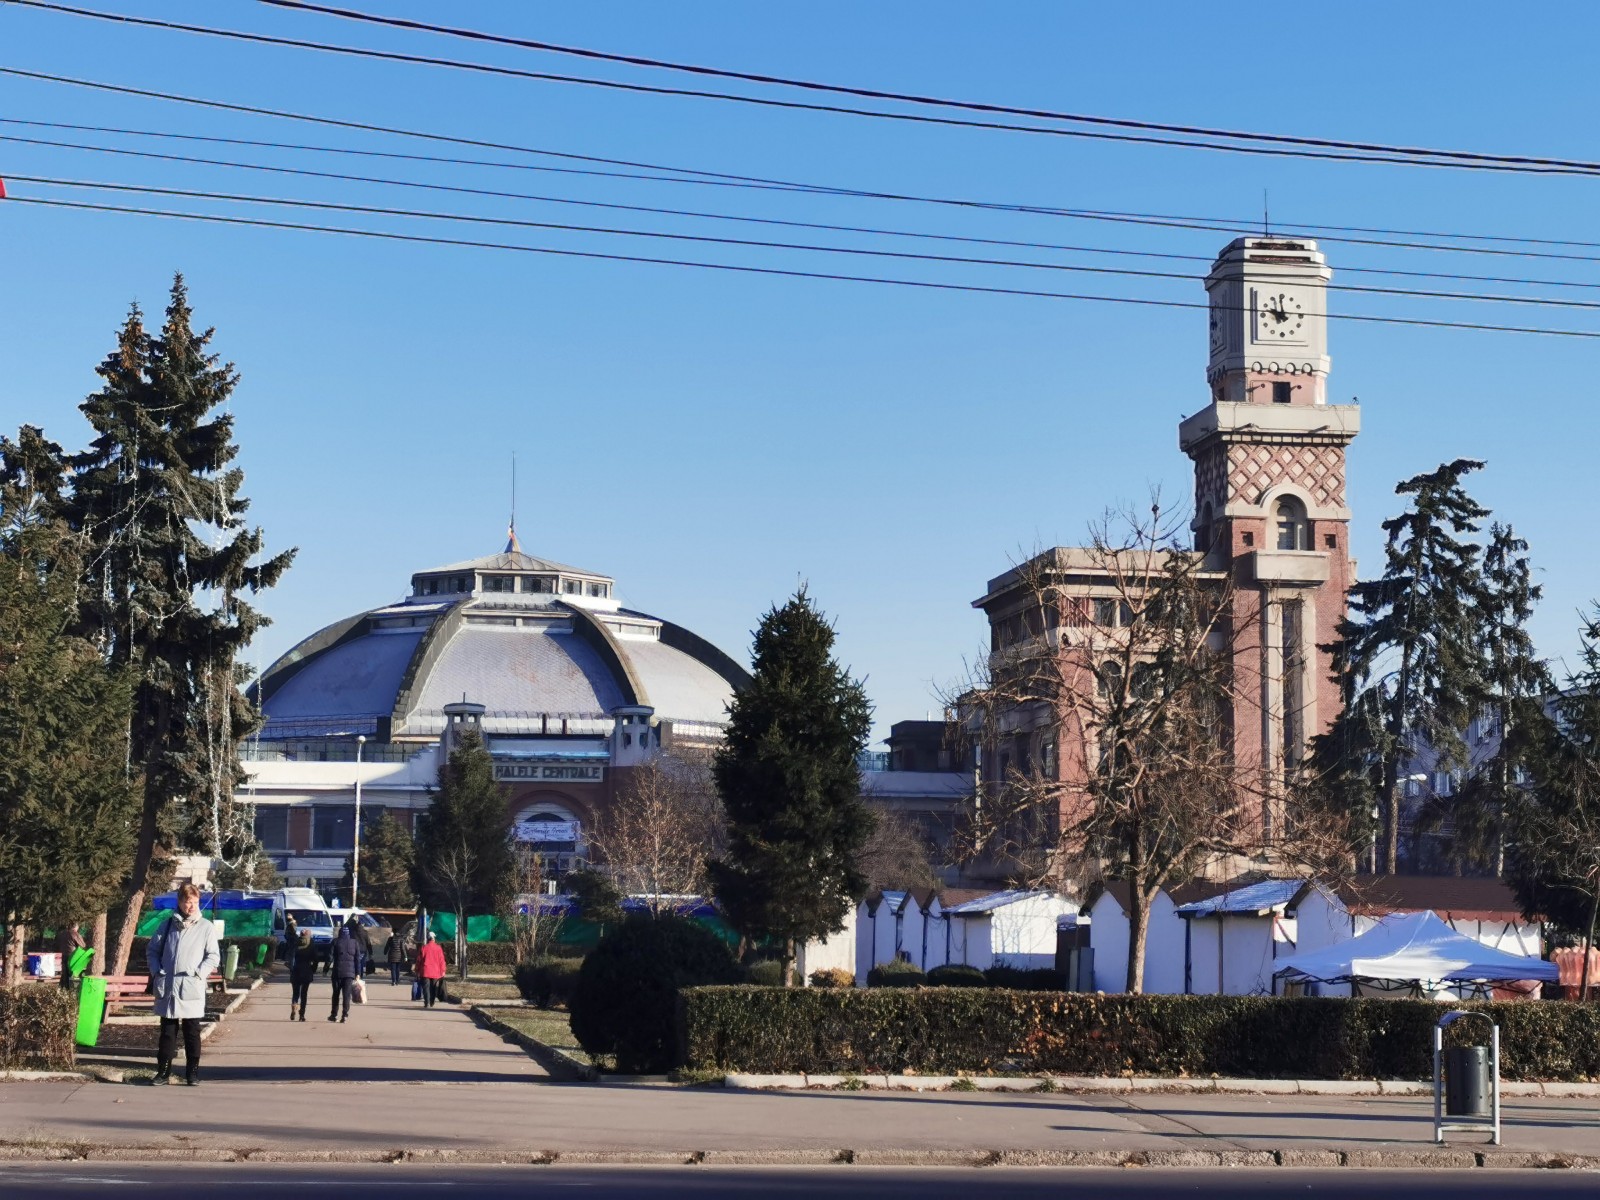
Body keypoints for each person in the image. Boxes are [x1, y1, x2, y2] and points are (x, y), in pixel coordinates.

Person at [147, 883, 221, 1086]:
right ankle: (163, 1073)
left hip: (191, 987)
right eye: (188, 902)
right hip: (168, 985)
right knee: (168, 1032)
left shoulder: (205, 927)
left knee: (192, 1032)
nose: (192, 906)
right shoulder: (167, 925)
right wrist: (157, 971)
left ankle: (192, 1073)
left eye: (195, 902)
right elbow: (152, 951)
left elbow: (213, 956)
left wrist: (199, 973)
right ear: (180, 902)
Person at [328, 923, 361, 1023]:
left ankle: (334, 1015)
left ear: (340, 933)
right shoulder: (354, 943)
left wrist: (325, 969)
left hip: (337, 972)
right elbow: (357, 959)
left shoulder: (335, 941)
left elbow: (329, 957)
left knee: (336, 994)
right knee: (346, 995)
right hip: (350, 974)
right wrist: (358, 973)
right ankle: (345, 1015)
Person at [415, 931, 446, 1009]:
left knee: (426, 988)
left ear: (428, 939)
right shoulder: (438, 948)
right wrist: (443, 970)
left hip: (425, 971)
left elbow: (419, 960)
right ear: (434, 938)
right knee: (433, 987)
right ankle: (432, 1002)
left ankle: (427, 1002)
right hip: (436, 972)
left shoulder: (424, 948)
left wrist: (417, 970)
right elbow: (441, 960)